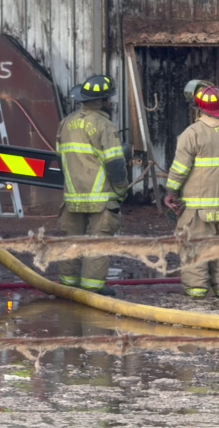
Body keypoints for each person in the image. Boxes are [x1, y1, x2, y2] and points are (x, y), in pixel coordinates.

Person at [164, 81, 219, 300]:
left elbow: (179, 169)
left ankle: (197, 295)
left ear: (198, 109)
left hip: (197, 210)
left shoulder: (192, 133)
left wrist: (170, 192)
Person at [56, 74, 129, 296]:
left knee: (71, 243)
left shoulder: (66, 123)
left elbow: (61, 158)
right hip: (100, 198)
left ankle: (68, 288)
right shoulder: (104, 125)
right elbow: (115, 164)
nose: (111, 103)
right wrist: (121, 190)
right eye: (109, 99)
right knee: (97, 245)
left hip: (72, 197)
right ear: (102, 101)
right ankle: (91, 291)